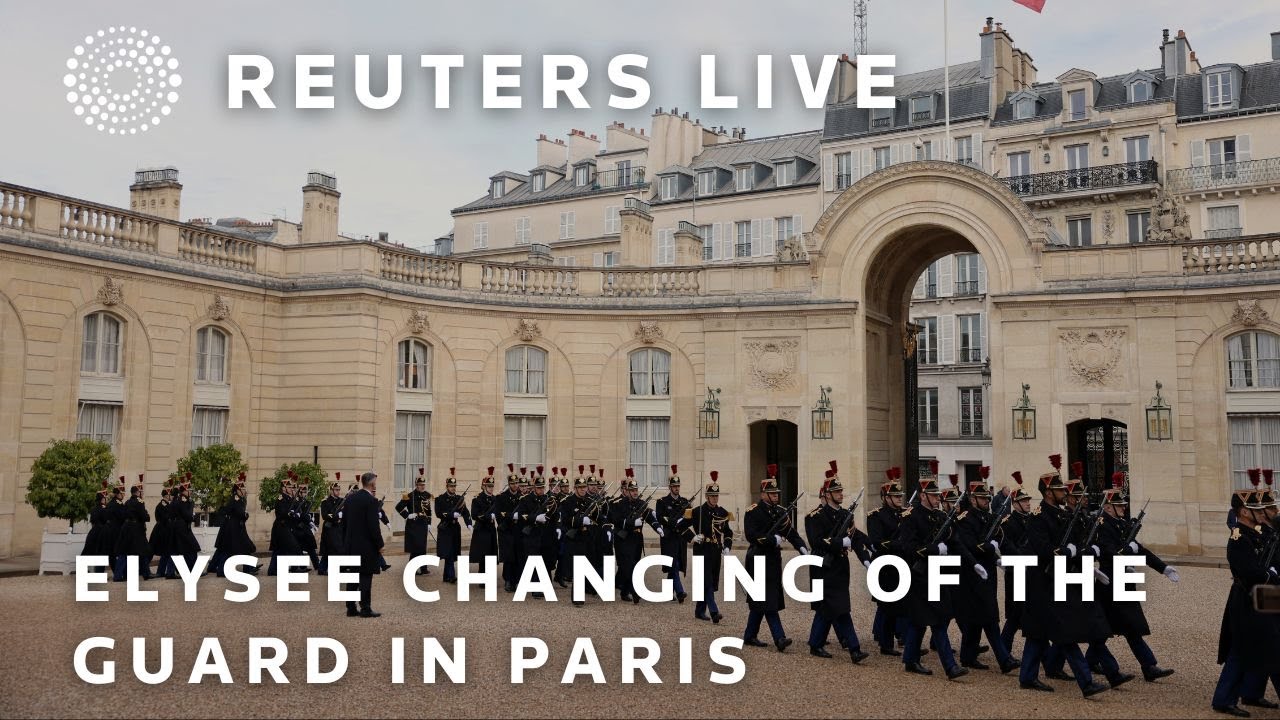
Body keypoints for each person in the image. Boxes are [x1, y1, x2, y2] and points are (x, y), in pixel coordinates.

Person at [1017, 454, 1109, 697]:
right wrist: (1065, 552)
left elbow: (1074, 542)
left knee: (1038, 634)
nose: (1063, 493)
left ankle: (1027, 677)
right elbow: (1043, 549)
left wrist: (1083, 559)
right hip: (1042, 581)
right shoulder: (1038, 516)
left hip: (1056, 580)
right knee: (1064, 632)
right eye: (1059, 490)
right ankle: (1086, 683)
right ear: (1048, 492)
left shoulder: (1061, 514)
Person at [1094, 471, 1178, 683]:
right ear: (1108, 507)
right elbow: (1109, 552)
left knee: (1130, 626)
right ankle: (1092, 664)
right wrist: (1126, 554)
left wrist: (1163, 568)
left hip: (1125, 580)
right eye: (1119, 505)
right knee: (1104, 628)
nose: (1123, 508)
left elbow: (1140, 550)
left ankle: (1149, 666)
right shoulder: (1101, 525)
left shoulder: (1121, 523)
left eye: (1123, 505)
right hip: (1109, 582)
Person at [1212, 470, 1280, 716]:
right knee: (1245, 649)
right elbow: (1250, 571)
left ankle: (1251, 692)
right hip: (1248, 598)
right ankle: (1223, 699)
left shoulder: (1260, 533)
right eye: (1256, 510)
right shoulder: (1238, 537)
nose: (1262, 514)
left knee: (1268, 644)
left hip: (1266, 595)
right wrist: (1271, 574)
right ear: (1243, 512)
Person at [893, 468, 967, 680]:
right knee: (937, 621)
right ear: (923, 495)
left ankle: (910, 659)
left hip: (938, 573)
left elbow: (956, 542)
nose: (937, 498)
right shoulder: (910, 517)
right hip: (919, 575)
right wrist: (934, 549)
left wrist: (971, 563)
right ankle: (950, 667)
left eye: (938, 495)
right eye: (933, 495)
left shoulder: (941, 516)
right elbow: (908, 547)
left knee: (920, 621)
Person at [954, 469, 1020, 674]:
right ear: (973, 500)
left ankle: (967, 655)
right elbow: (968, 545)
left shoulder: (991, 518)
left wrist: (1007, 556)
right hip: (972, 572)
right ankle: (1004, 659)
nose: (986, 501)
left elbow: (1002, 539)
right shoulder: (965, 519)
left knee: (976, 616)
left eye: (987, 498)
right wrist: (988, 547)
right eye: (982, 498)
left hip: (988, 571)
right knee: (990, 616)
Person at [804, 466, 872, 664]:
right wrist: (839, 542)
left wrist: (866, 559)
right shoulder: (815, 516)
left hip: (841, 567)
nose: (841, 494)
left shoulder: (845, 515)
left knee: (827, 608)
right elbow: (816, 541)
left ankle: (815, 643)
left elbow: (855, 539)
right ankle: (854, 649)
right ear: (827, 494)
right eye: (837, 491)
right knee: (841, 608)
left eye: (841, 491)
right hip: (823, 567)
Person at [742, 464, 808, 652]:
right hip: (757, 559)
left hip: (772, 561)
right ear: (763, 494)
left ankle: (750, 635)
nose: (776, 496)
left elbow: (791, 533)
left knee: (761, 601)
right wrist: (773, 540)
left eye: (777, 493)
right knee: (768, 601)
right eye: (772, 493)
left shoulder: (780, 511)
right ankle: (779, 638)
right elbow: (751, 535)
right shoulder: (753, 511)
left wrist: (802, 548)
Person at [868, 467, 908, 656]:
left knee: (901, 605)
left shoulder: (905, 514)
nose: (899, 498)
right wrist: (899, 544)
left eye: (900, 495)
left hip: (902, 564)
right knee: (886, 607)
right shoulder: (876, 516)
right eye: (895, 496)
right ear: (886, 498)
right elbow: (877, 542)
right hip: (885, 566)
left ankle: (903, 638)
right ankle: (885, 644)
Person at [686, 472, 733, 623]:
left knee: (709, 581)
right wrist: (692, 537)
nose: (714, 498)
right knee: (707, 581)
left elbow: (728, 532)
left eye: (716, 496)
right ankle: (714, 611)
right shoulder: (697, 511)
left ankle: (699, 611)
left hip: (715, 550)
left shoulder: (722, 512)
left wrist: (727, 546)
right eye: (712, 496)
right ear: (706, 496)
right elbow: (680, 526)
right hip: (702, 549)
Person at [609, 468, 662, 603]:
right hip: (624, 539)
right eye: (632, 490)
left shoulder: (641, 504)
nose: (635, 492)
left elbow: (649, 517)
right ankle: (635, 592)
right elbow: (616, 520)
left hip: (636, 540)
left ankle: (624, 592)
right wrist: (632, 523)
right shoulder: (619, 504)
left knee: (634, 565)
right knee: (629, 566)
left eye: (636, 490)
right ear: (626, 491)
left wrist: (658, 527)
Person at [999, 472, 1033, 653]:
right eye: (1023, 501)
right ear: (1015, 504)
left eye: (1028, 500)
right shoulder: (1008, 523)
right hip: (1016, 572)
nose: (1028, 503)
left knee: (1031, 614)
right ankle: (1004, 652)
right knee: (1015, 615)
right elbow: (1007, 546)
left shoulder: (1032, 520)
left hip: (1030, 572)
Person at [342, 471, 384, 618]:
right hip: (366, 546)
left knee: (353, 576)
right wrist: (380, 544)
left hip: (351, 544)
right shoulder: (371, 501)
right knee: (365, 576)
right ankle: (365, 608)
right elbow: (373, 526)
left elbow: (344, 523)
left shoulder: (350, 499)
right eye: (375, 482)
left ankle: (350, 607)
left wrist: (346, 542)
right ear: (372, 483)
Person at [655, 465, 691, 603]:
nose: (676, 488)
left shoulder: (685, 502)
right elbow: (660, 517)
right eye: (674, 486)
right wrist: (674, 522)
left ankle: (668, 592)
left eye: (678, 486)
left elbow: (690, 518)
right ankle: (680, 591)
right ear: (670, 487)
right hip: (669, 537)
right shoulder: (662, 502)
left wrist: (683, 521)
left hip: (680, 538)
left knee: (675, 564)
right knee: (673, 563)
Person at [558, 466, 593, 606]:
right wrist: (580, 520)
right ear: (575, 488)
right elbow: (565, 520)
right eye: (580, 487)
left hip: (587, 538)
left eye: (584, 487)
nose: (583, 489)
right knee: (578, 568)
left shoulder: (590, 501)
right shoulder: (568, 502)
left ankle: (585, 591)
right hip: (575, 539)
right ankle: (578, 597)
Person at [212, 473, 257, 576]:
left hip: (238, 528)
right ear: (237, 490)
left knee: (245, 547)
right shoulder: (235, 499)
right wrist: (246, 515)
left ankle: (248, 568)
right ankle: (221, 571)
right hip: (233, 528)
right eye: (243, 489)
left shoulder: (240, 499)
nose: (244, 491)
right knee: (229, 551)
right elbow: (240, 513)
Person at [434, 469, 472, 583]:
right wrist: (451, 515)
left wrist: (469, 524)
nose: (453, 488)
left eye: (454, 486)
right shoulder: (440, 499)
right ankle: (451, 576)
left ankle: (446, 576)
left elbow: (466, 512)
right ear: (447, 486)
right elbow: (438, 513)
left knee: (453, 552)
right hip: (445, 528)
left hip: (455, 529)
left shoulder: (459, 499)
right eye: (451, 486)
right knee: (449, 553)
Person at [395, 468, 434, 576]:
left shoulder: (427, 495)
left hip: (423, 524)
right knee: (416, 547)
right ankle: (413, 568)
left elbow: (428, 511)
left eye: (423, 485)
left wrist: (429, 523)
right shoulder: (409, 496)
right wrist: (407, 515)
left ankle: (423, 568)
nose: (422, 486)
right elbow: (398, 507)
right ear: (416, 485)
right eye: (420, 485)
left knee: (422, 547)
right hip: (413, 524)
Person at [114, 475, 152, 581]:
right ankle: (146, 574)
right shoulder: (139, 502)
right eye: (141, 492)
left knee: (124, 552)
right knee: (142, 551)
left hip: (126, 528)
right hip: (136, 530)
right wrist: (146, 515)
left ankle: (118, 575)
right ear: (138, 492)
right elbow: (145, 517)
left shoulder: (127, 502)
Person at [268, 477, 302, 576]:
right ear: (283, 488)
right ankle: (294, 568)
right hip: (281, 526)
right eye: (289, 487)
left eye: (291, 487)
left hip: (286, 526)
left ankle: (272, 570)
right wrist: (290, 513)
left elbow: (296, 508)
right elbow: (281, 512)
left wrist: (296, 513)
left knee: (280, 549)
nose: (291, 488)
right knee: (293, 546)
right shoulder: (281, 498)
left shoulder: (290, 498)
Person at [496, 465, 522, 591]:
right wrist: (511, 517)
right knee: (508, 556)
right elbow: (499, 514)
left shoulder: (522, 497)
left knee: (517, 556)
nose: (515, 485)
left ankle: (516, 580)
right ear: (509, 484)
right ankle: (507, 580)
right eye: (512, 483)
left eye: (516, 483)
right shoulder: (502, 497)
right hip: (506, 530)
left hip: (518, 531)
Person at [169, 476, 201, 577]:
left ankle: (187, 570)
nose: (190, 492)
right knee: (192, 548)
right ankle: (191, 570)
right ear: (185, 491)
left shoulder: (179, 500)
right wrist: (192, 511)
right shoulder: (183, 501)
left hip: (180, 527)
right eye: (189, 490)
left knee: (184, 550)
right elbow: (187, 515)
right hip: (182, 528)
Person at [81, 481, 115, 574]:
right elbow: (106, 519)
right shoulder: (103, 508)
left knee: (87, 551)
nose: (105, 500)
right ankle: (100, 573)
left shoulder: (94, 508)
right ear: (102, 499)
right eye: (104, 498)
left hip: (93, 532)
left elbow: (92, 520)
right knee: (102, 552)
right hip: (101, 532)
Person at [469, 467, 500, 565]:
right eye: (489, 486)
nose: (491, 488)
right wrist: (489, 516)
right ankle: (482, 573)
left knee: (491, 556)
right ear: (484, 486)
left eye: (492, 486)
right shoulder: (477, 499)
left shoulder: (495, 499)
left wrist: (496, 515)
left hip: (491, 530)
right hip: (481, 530)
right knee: (482, 557)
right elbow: (474, 515)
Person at [150, 482, 175, 579]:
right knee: (165, 552)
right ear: (166, 495)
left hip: (165, 530)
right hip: (163, 531)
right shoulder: (162, 505)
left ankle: (161, 571)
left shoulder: (167, 505)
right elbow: (165, 518)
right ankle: (162, 571)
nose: (171, 496)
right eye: (170, 495)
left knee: (166, 552)